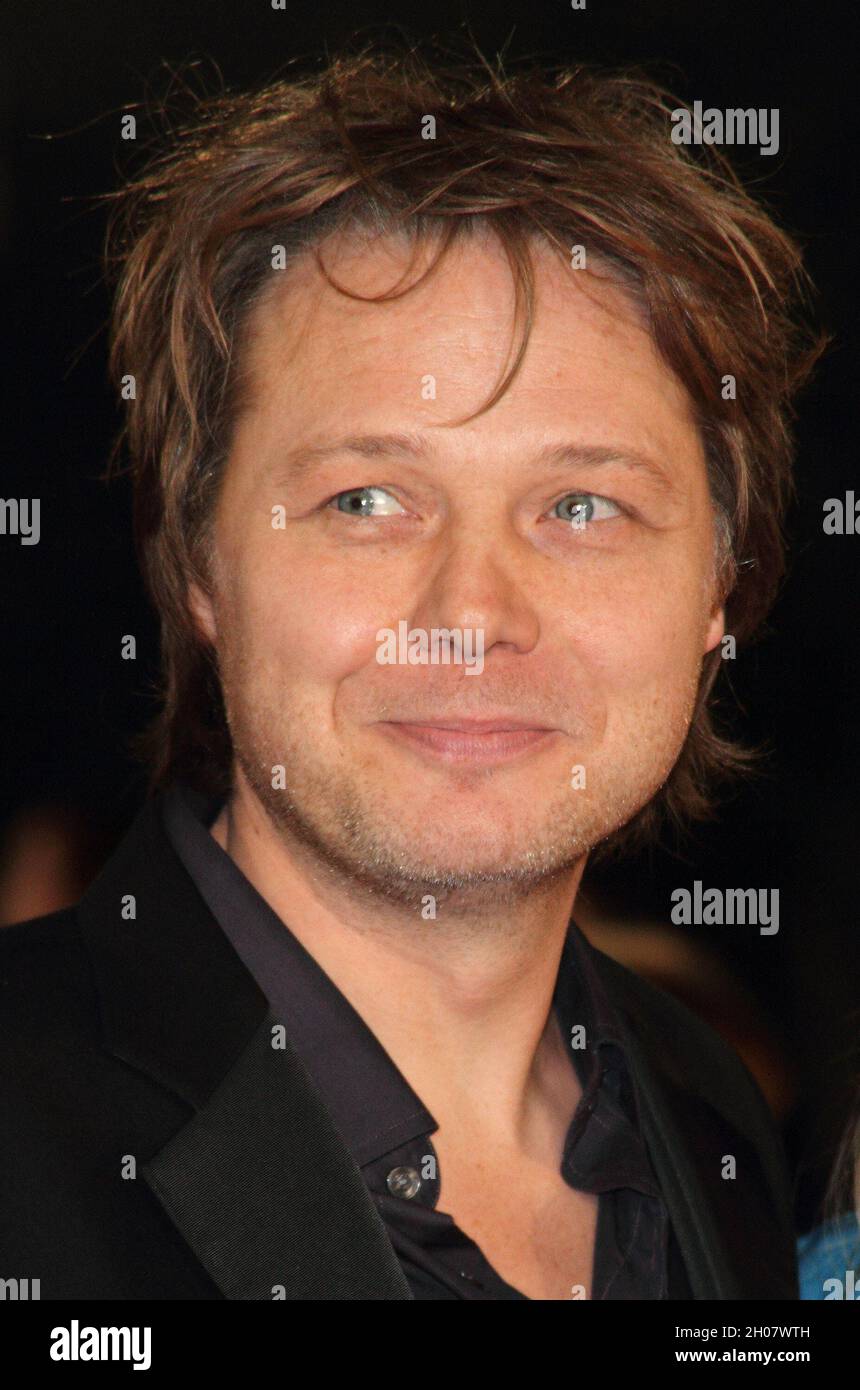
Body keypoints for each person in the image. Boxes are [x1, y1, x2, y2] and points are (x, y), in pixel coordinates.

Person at [0, 42, 826, 1300]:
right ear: (198, 566)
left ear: (718, 587)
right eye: (367, 498)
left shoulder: (712, 1122)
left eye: (582, 505)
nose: (472, 614)